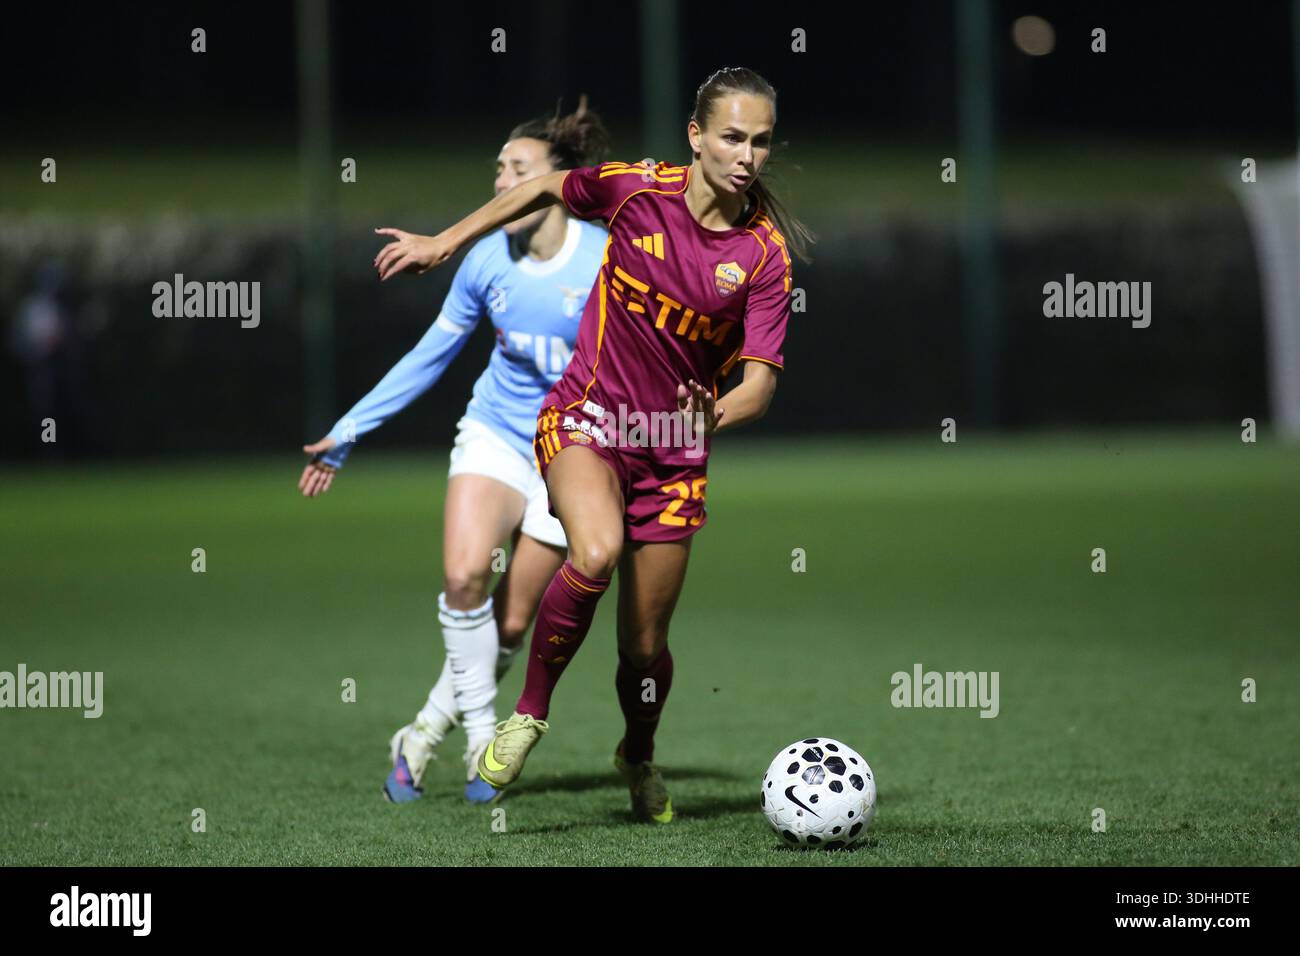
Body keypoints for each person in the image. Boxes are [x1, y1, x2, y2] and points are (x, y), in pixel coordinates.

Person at [373, 67, 813, 822]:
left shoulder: (764, 256)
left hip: (674, 449)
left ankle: (636, 755)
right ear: (696, 137)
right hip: (587, 417)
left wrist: (715, 417)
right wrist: (446, 241)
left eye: (762, 141)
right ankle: (528, 716)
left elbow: (760, 385)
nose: (747, 154)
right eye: (733, 137)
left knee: (643, 650)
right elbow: (545, 188)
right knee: (595, 550)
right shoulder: (639, 191)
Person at [301, 99, 611, 803]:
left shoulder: (603, 260)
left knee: (511, 620)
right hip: (498, 434)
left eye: (519, 169)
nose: (503, 182)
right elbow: (429, 357)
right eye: (498, 170)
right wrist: (348, 430)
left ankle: (421, 732)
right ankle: (480, 738)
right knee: (466, 574)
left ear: (558, 182)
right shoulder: (483, 263)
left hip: (575, 453)